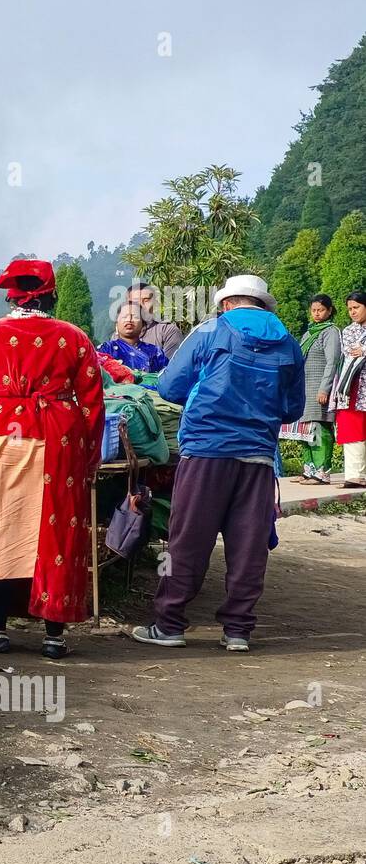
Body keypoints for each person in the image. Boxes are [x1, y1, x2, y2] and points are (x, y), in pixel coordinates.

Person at [0, 259, 105, 659]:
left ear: (11, 294)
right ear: (52, 294)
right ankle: (54, 636)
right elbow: (91, 405)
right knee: (54, 533)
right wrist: (87, 457)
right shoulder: (74, 338)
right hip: (56, 438)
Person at [133, 274, 303, 652]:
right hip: (258, 455)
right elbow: (292, 408)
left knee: (188, 539)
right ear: (263, 305)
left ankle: (170, 624)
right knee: (249, 544)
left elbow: (170, 387)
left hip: (206, 449)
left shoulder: (211, 331)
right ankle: (238, 631)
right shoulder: (290, 344)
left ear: (227, 303)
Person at [284, 294, 341, 485]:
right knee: (305, 429)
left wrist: (325, 388)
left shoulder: (330, 332)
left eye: (321, 310)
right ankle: (309, 470)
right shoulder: (309, 332)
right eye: (314, 310)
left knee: (320, 429)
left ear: (330, 311)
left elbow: (332, 362)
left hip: (319, 388)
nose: (317, 314)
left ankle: (322, 472)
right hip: (305, 389)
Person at [332, 290, 366, 488]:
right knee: (351, 428)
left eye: (357, 307)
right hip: (352, 386)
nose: (352, 312)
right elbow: (350, 354)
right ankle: (354, 476)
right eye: (350, 309)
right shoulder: (348, 331)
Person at [97, 303, 170, 378]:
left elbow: (167, 378)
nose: (129, 320)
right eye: (124, 317)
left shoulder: (155, 352)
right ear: (116, 324)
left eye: (135, 317)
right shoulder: (106, 349)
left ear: (143, 325)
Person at [126, 280, 184, 360]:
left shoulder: (168, 331)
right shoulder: (119, 334)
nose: (141, 305)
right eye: (136, 301)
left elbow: (171, 367)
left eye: (146, 300)